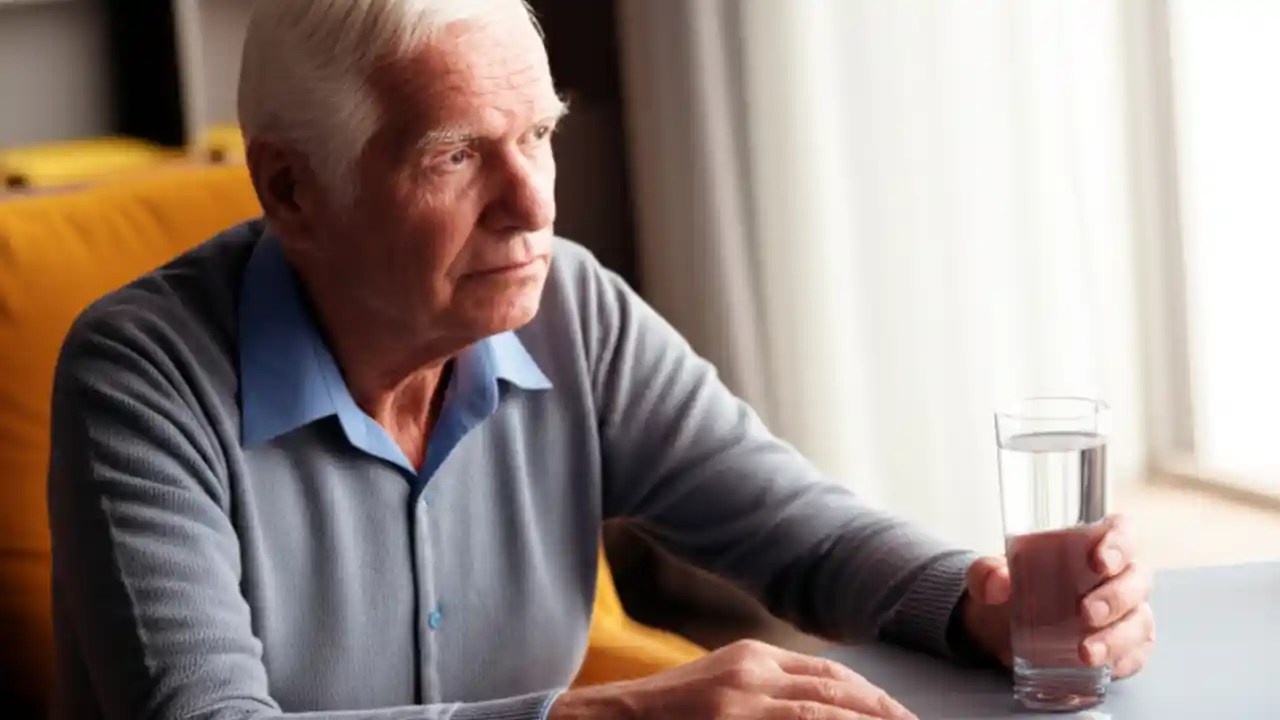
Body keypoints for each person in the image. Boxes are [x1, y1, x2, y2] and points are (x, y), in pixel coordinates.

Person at [46, 1, 1155, 718]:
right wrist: (615, 716)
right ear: (291, 188)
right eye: (454, 155)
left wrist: (979, 602)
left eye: (538, 135)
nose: (531, 205)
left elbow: (804, 536)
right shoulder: (141, 376)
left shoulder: (570, 307)